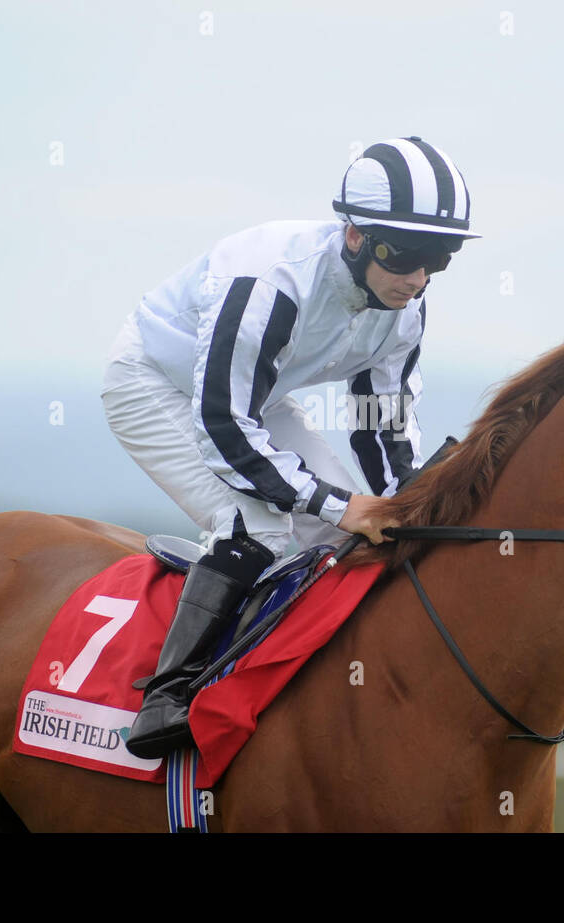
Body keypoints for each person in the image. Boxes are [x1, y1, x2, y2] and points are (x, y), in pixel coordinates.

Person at [100, 136, 479, 759]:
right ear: (355, 236)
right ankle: (167, 696)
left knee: (342, 543)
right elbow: (223, 423)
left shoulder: (405, 308)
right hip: (153, 383)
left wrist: (407, 507)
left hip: (257, 396)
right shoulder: (269, 280)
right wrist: (338, 502)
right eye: (407, 254)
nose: (418, 278)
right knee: (259, 529)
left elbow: (381, 429)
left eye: (441, 258)